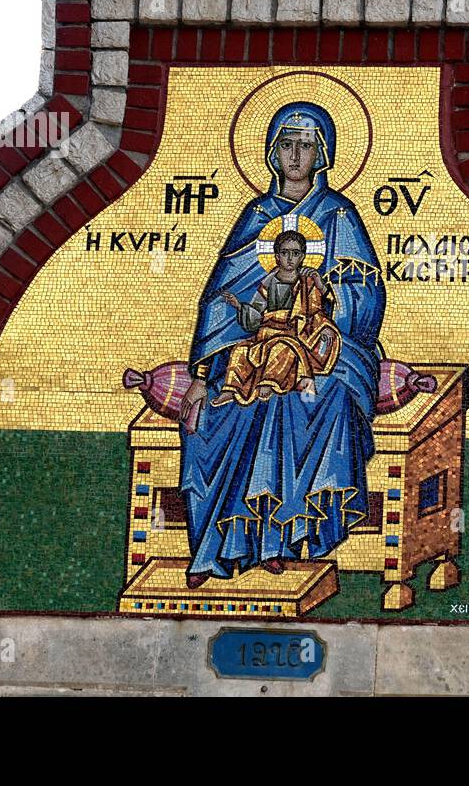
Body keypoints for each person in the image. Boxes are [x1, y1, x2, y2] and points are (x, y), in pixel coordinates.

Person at [180, 102, 384, 583]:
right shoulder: (257, 216)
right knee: (214, 412)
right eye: (287, 145)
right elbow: (222, 296)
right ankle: (227, 546)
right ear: (273, 153)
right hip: (256, 345)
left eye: (307, 146)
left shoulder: (339, 216)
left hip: (323, 347)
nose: (296, 156)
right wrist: (200, 375)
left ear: (323, 154)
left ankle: (286, 535)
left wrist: (329, 304)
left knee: (316, 398)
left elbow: (366, 292)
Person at [215, 229, 341, 404]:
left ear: (302, 256)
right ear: (276, 256)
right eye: (284, 253)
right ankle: (232, 389)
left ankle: (268, 383)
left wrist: (320, 286)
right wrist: (239, 306)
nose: (290, 258)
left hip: (293, 335)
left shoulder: (307, 282)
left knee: (281, 349)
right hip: (265, 334)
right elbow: (256, 316)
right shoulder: (268, 282)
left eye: (295, 253)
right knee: (241, 350)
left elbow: (317, 311)